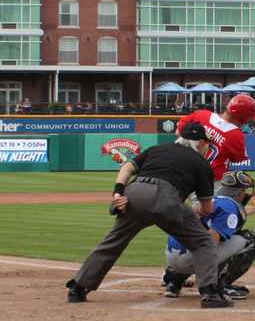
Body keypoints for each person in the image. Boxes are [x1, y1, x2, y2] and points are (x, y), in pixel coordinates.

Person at [66, 121, 234, 308]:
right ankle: (210, 294)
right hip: (168, 198)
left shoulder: (157, 149)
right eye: (207, 144)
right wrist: (192, 210)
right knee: (203, 241)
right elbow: (207, 209)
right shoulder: (202, 163)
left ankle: (78, 287)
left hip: (135, 193)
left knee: (113, 241)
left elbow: (127, 168)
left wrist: (118, 192)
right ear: (201, 143)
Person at [162, 171, 255, 301]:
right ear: (239, 192)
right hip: (191, 259)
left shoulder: (209, 201)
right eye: (244, 190)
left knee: (202, 238)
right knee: (249, 239)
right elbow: (210, 243)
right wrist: (207, 279)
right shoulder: (229, 207)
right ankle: (222, 286)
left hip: (172, 258)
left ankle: (174, 281)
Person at [176, 93, 255, 182]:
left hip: (185, 174)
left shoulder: (202, 114)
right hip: (211, 181)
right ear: (242, 117)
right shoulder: (236, 135)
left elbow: (177, 132)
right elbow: (238, 159)